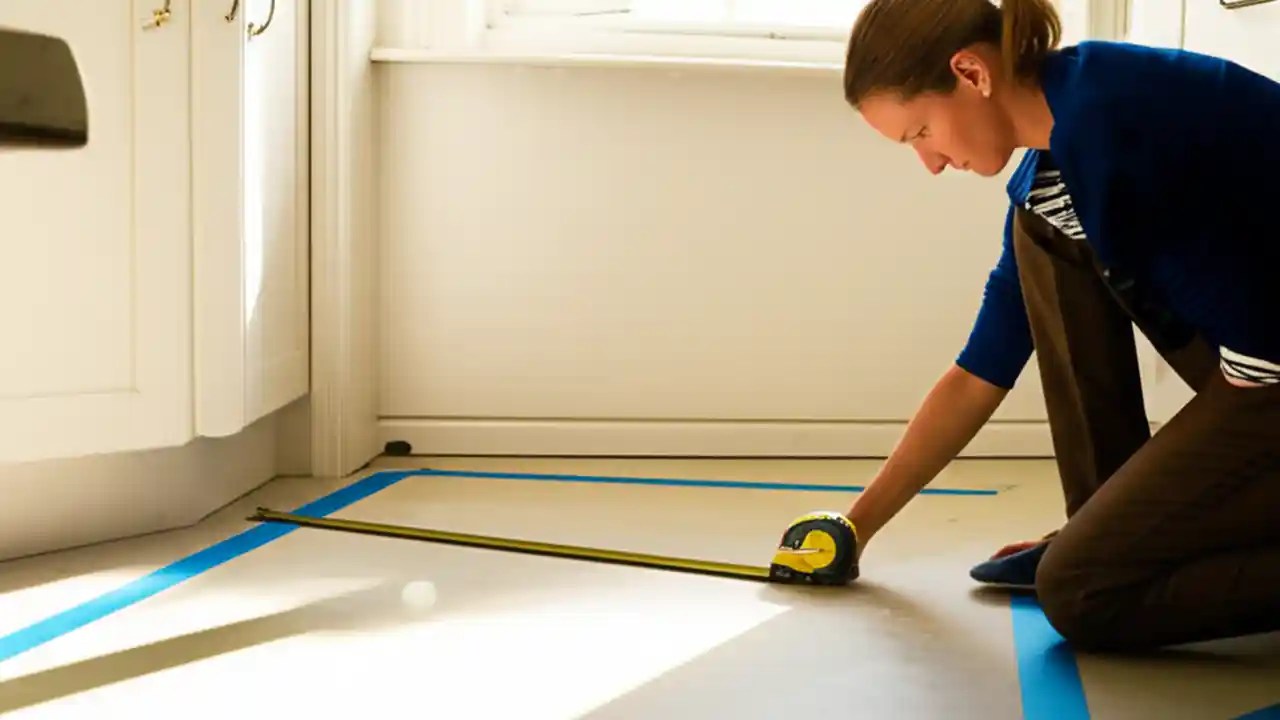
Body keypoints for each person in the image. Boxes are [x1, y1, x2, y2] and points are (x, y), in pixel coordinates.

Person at [837, 0, 1280, 652]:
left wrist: (1119, 534)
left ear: (971, 73)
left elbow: (1264, 353)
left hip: (1268, 360)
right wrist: (853, 527)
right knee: (1040, 233)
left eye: (921, 132)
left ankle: (1104, 540)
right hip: (1257, 358)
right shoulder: (1057, 162)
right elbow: (979, 371)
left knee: (1081, 589)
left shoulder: (1119, 130)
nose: (930, 163)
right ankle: (1100, 519)